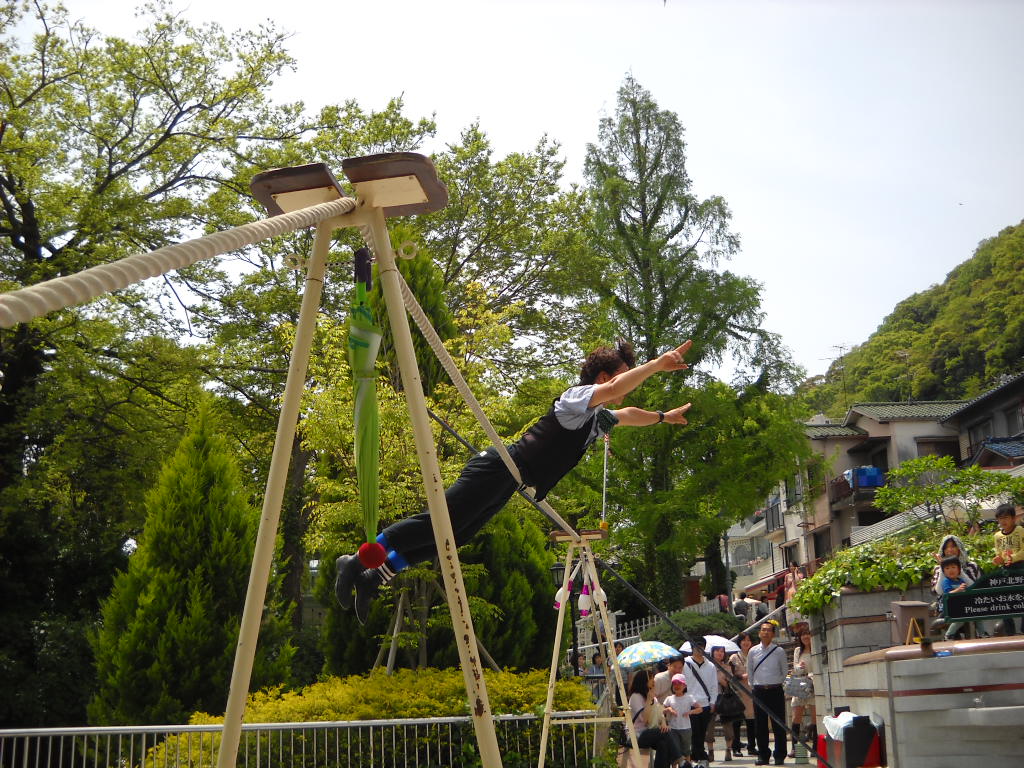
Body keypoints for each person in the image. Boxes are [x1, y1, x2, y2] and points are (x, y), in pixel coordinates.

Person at [335, 340, 695, 622]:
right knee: (440, 521)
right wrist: (658, 365)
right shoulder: (577, 399)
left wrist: (664, 416)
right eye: (622, 379)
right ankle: (357, 560)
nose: (626, 389)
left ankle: (375, 576)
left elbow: (629, 414)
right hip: (497, 469)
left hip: (510, 482)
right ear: (604, 379)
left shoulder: (597, 419)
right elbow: (619, 389)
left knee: (455, 536)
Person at [748, 621, 787, 766]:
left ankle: (780, 755)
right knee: (761, 725)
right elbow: (750, 671)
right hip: (758, 691)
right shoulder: (753, 651)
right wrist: (753, 686)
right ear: (759, 633)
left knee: (779, 724)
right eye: (763, 630)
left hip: (775, 690)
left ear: (773, 634)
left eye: (768, 630)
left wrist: (776, 682)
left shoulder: (779, 651)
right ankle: (763, 755)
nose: (765, 632)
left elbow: (784, 672)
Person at [627, 669, 684, 768]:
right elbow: (645, 720)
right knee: (665, 733)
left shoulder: (652, 696)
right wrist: (649, 700)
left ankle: (678, 762)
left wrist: (663, 723)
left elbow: (660, 713)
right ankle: (681, 761)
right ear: (643, 681)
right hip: (637, 735)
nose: (653, 681)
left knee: (663, 743)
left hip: (650, 731)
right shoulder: (635, 697)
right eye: (651, 678)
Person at [683, 637, 718, 768]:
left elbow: (714, 686)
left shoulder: (710, 666)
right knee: (693, 731)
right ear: (692, 648)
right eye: (696, 646)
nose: (699, 649)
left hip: (705, 703)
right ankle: (698, 754)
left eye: (701, 646)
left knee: (702, 731)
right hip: (689, 703)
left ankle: (698, 754)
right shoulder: (685, 663)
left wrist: (713, 702)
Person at [936, 556, 989, 640]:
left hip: (962, 607)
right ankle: (949, 635)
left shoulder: (961, 581)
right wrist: (958, 590)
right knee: (961, 619)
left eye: (953, 567)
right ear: (944, 571)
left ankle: (982, 633)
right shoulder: (946, 581)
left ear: (959, 569)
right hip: (950, 609)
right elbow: (947, 594)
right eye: (947, 568)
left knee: (978, 616)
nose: (951, 570)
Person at [704, 646, 741, 762]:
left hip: (724, 698)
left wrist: (720, 679)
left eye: (722, 651)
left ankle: (728, 750)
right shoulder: (707, 667)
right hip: (710, 699)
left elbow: (729, 684)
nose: (720, 653)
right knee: (709, 726)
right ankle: (710, 751)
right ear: (712, 652)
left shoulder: (727, 667)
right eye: (717, 651)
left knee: (727, 725)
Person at [992, 503, 1024, 634]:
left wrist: (1011, 558)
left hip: (1020, 567)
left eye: (1006, 517)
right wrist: (997, 559)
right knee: (1004, 598)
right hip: (1005, 569)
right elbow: (998, 553)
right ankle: (1009, 632)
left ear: (1013, 518)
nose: (1003, 521)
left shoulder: (1020, 530)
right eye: (1000, 518)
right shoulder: (997, 536)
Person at [786, 629, 816, 758]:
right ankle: (794, 747)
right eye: (803, 634)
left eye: (807, 634)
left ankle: (816, 747)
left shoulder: (817, 649)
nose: (805, 637)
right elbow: (795, 669)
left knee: (815, 717)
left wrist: (812, 675)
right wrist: (800, 667)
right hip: (800, 685)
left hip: (814, 685)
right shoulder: (798, 651)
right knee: (796, 717)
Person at [728, 632, 757, 758]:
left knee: (751, 722)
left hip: (752, 693)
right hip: (739, 692)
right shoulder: (734, 657)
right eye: (744, 640)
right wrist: (741, 676)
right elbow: (730, 675)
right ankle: (736, 748)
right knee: (737, 722)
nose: (746, 642)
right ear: (739, 642)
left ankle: (752, 747)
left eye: (748, 640)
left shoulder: (754, 655)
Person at [663, 674, 702, 768]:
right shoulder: (669, 698)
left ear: (684, 686)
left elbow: (700, 709)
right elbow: (662, 710)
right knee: (675, 751)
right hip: (673, 728)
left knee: (686, 751)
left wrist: (691, 712)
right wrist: (669, 709)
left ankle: (687, 766)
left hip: (686, 728)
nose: (677, 686)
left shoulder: (689, 697)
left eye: (679, 684)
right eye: (674, 684)